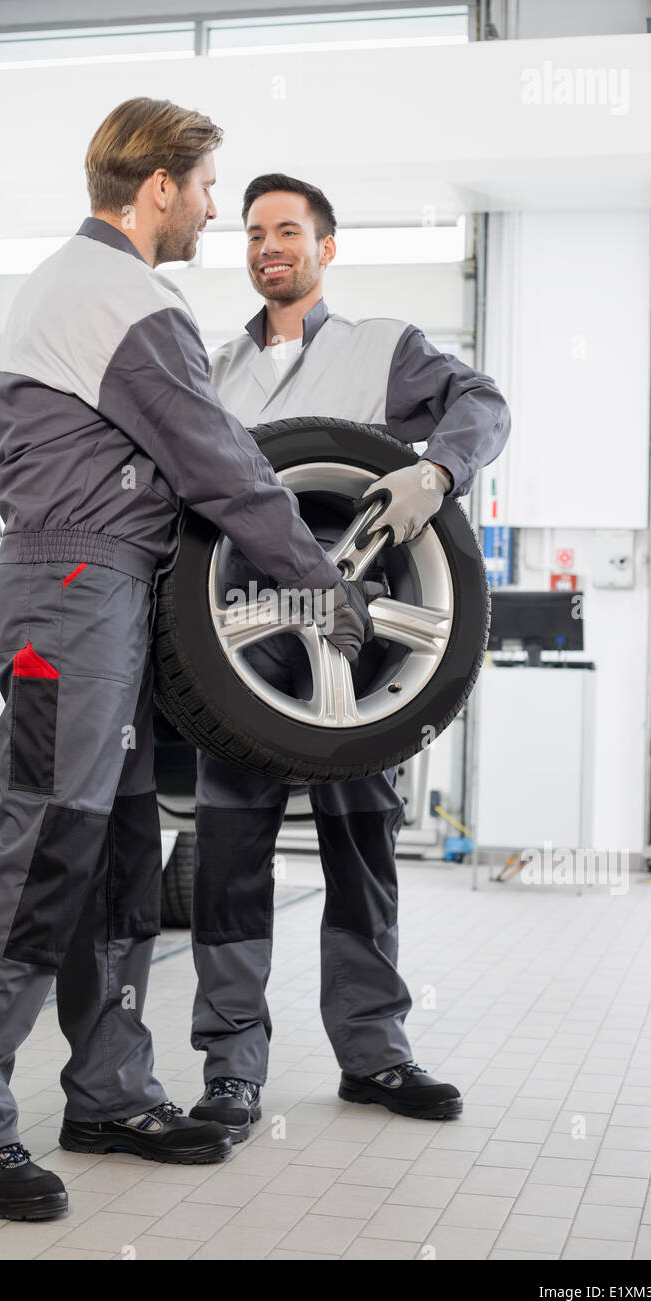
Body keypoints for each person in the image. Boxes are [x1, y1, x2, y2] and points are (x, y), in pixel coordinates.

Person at [0, 108, 372, 1221]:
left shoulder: (72, 285)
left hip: (94, 591)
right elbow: (219, 466)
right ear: (158, 186)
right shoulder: (124, 295)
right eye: (210, 187)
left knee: (121, 850)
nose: (220, 212)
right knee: (44, 849)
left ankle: (111, 1090)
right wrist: (319, 581)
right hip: (69, 596)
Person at [188, 173, 511, 1142]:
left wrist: (436, 469)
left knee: (360, 847)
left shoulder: (382, 350)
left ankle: (373, 1052)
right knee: (229, 855)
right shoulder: (212, 374)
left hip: (362, 637)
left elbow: (481, 403)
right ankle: (231, 1066)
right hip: (241, 640)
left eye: (287, 230)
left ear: (325, 248)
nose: (266, 246)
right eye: (252, 232)